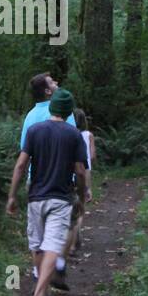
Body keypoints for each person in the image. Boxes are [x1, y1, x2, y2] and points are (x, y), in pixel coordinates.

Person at [6, 88, 88, 296]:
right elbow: (80, 171)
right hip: (61, 198)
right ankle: (38, 294)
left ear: (51, 108)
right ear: (68, 110)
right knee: (53, 246)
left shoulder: (34, 131)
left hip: (35, 197)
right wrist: (81, 199)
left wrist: (12, 195)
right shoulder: (73, 134)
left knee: (37, 247)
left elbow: (21, 165)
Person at [18, 71, 77, 291]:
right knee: (64, 226)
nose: (57, 83)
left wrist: (19, 188)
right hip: (63, 182)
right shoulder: (65, 113)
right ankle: (58, 264)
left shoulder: (30, 117)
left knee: (38, 236)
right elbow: (74, 147)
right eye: (53, 82)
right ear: (47, 91)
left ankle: (39, 276)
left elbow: (24, 155)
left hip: (36, 182)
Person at [64, 108, 95, 258]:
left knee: (72, 207)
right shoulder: (88, 135)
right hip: (84, 170)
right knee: (80, 207)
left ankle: (70, 241)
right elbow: (92, 155)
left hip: (70, 172)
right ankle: (74, 241)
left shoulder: (67, 134)